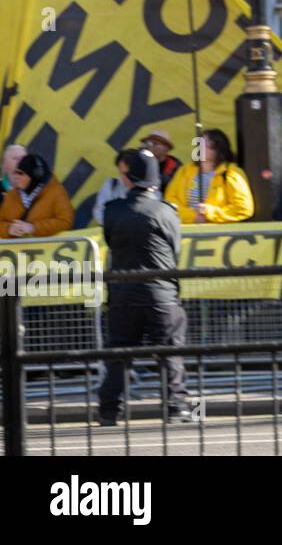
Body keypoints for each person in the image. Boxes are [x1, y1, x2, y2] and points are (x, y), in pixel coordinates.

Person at [97, 149, 196, 427]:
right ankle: (176, 408)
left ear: (129, 179)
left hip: (123, 294)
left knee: (118, 356)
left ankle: (108, 411)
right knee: (170, 354)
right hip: (161, 294)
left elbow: (110, 241)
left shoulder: (112, 210)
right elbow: (174, 248)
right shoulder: (167, 211)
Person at [164, 129, 254, 224]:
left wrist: (209, 213)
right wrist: (192, 216)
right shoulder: (184, 171)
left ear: (219, 149)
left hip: (219, 234)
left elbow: (243, 208)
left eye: (208, 145)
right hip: (186, 232)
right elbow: (170, 201)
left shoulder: (231, 172)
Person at [0, 153, 74, 237]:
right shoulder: (10, 195)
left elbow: (65, 222)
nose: (17, 176)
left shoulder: (56, 193)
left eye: (21, 173)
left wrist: (33, 228)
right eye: (16, 173)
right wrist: (8, 229)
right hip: (17, 250)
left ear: (35, 176)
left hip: (47, 248)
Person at [93, 151, 133, 225]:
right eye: (121, 173)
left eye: (128, 173)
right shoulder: (111, 184)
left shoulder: (150, 189)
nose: (124, 177)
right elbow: (99, 211)